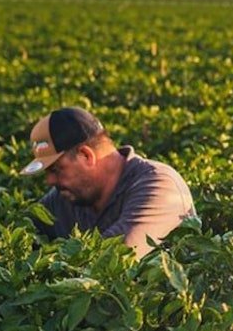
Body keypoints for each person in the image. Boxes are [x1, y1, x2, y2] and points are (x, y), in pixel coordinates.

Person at [19, 107, 196, 259]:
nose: (50, 181)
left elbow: (113, 258)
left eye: (56, 170)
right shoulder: (64, 197)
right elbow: (21, 230)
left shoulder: (158, 185)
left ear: (86, 155)